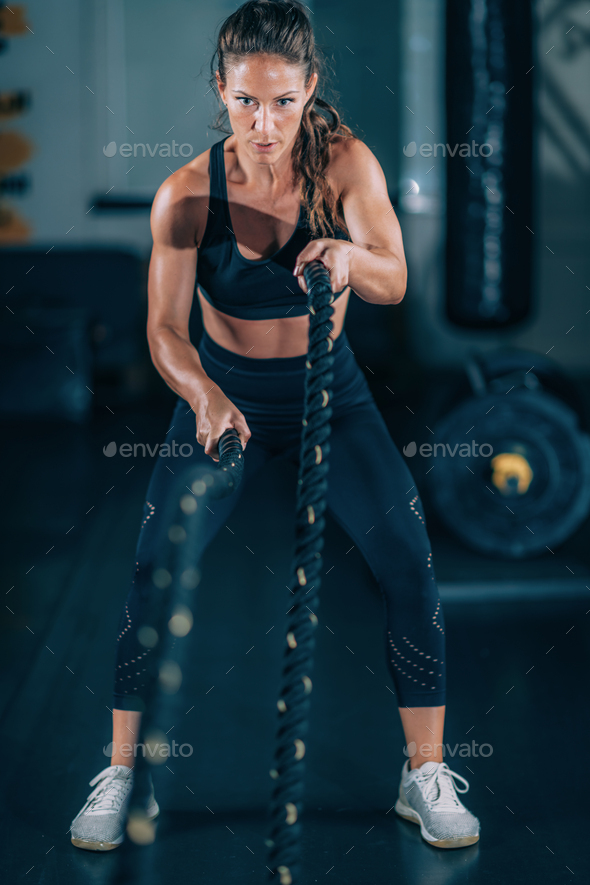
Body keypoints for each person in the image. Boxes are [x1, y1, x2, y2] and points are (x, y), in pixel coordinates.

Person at [70, 0, 480, 854]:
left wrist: (347, 256)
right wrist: (203, 396)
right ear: (220, 89)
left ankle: (424, 773)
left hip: (335, 397)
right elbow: (163, 331)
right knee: (153, 564)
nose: (265, 124)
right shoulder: (186, 194)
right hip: (223, 399)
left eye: (284, 102)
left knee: (407, 558)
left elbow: (395, 279)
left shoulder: (344, 166)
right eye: (247, 101)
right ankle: (119, 772)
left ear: (310, 89)